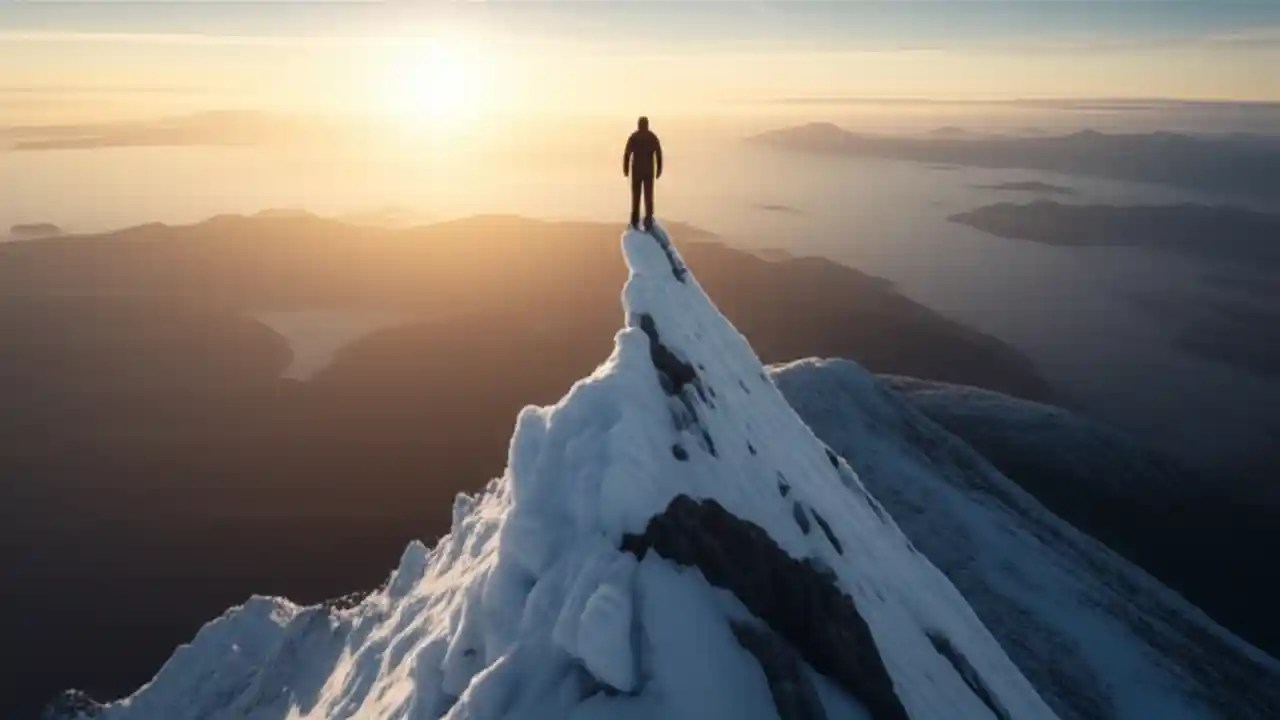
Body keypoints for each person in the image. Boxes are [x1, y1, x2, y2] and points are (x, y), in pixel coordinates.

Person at [623, 116, 663, 230]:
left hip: (636, 172)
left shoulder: (634, 137)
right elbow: (658, 154)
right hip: (648, 172)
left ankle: (634, 221)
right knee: (648, 197)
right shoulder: (652, 137)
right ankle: (648, 220)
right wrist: (659, 169)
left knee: (636, 197)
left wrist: (625, 169)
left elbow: (627, 154)